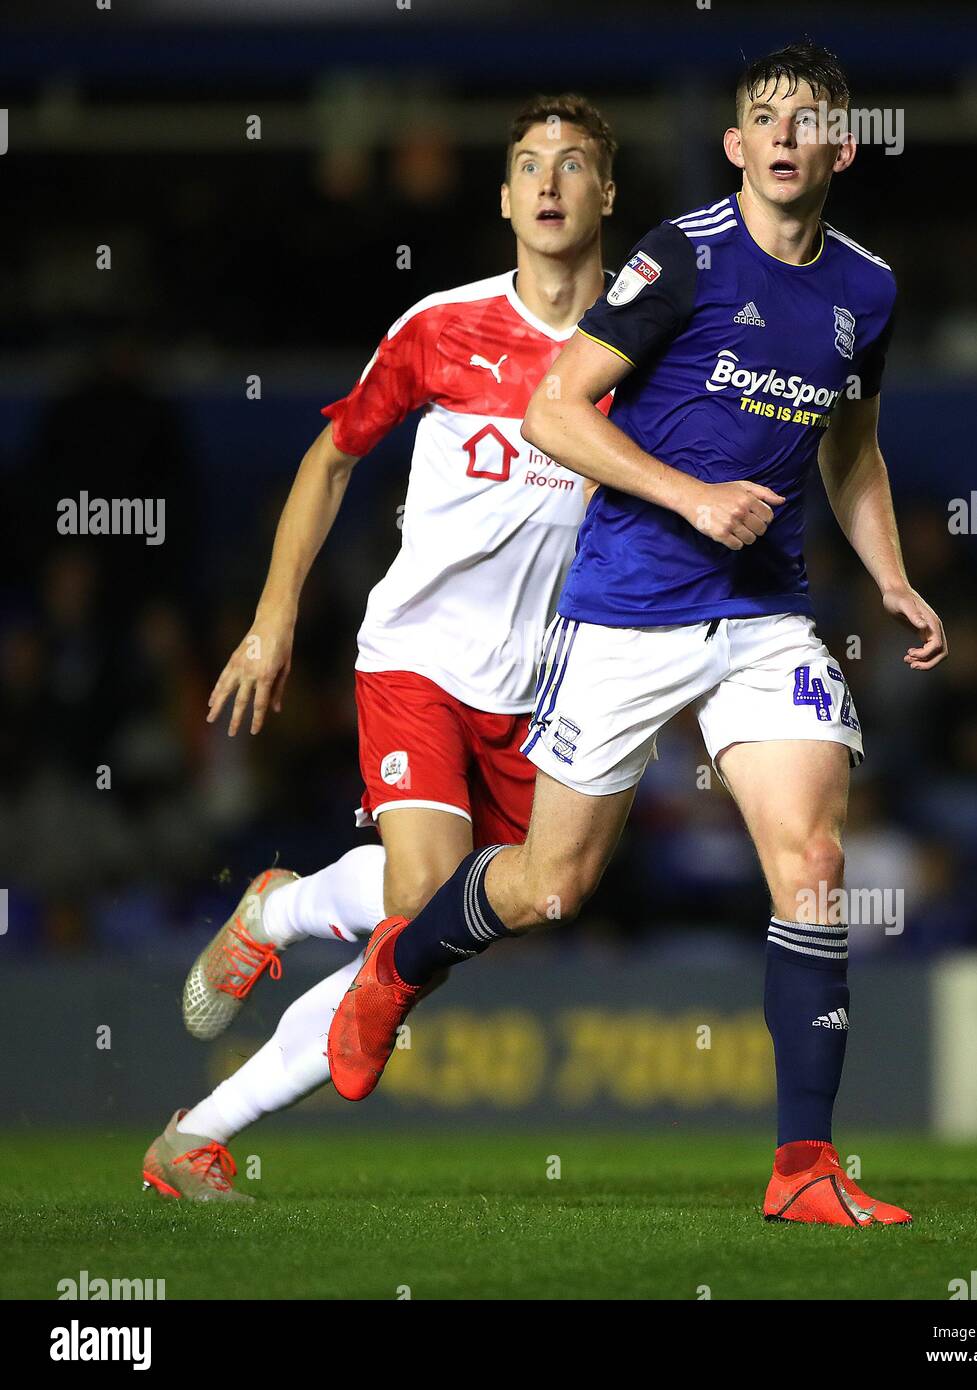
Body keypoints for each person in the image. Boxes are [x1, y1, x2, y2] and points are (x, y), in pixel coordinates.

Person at [328, 42, 948, 1228]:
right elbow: (554, 410)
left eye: (804, 118)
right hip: (629, 604)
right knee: (550, 886)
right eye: (761, 116)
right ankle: (396, 968)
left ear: (840, 146)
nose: (780, 133)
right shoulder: (682, 256)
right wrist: (689, 497)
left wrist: (894, 578)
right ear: (734, 145)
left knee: (813, 867)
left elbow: (849, 448)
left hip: (766, 612)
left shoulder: (866, 288)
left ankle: (802, 1166)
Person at [141, 94, 618, 1201]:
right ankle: (195, 1135)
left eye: (574, 165)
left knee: (443, 937)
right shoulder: (441, 325)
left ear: (606, 195)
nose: (549, 184)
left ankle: (271, 934)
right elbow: (333, 457)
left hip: (542, 692)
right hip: (418, 657)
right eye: (530, 166)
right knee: (420, 900)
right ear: (503, 198)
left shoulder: (637, 351)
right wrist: (273, 617)